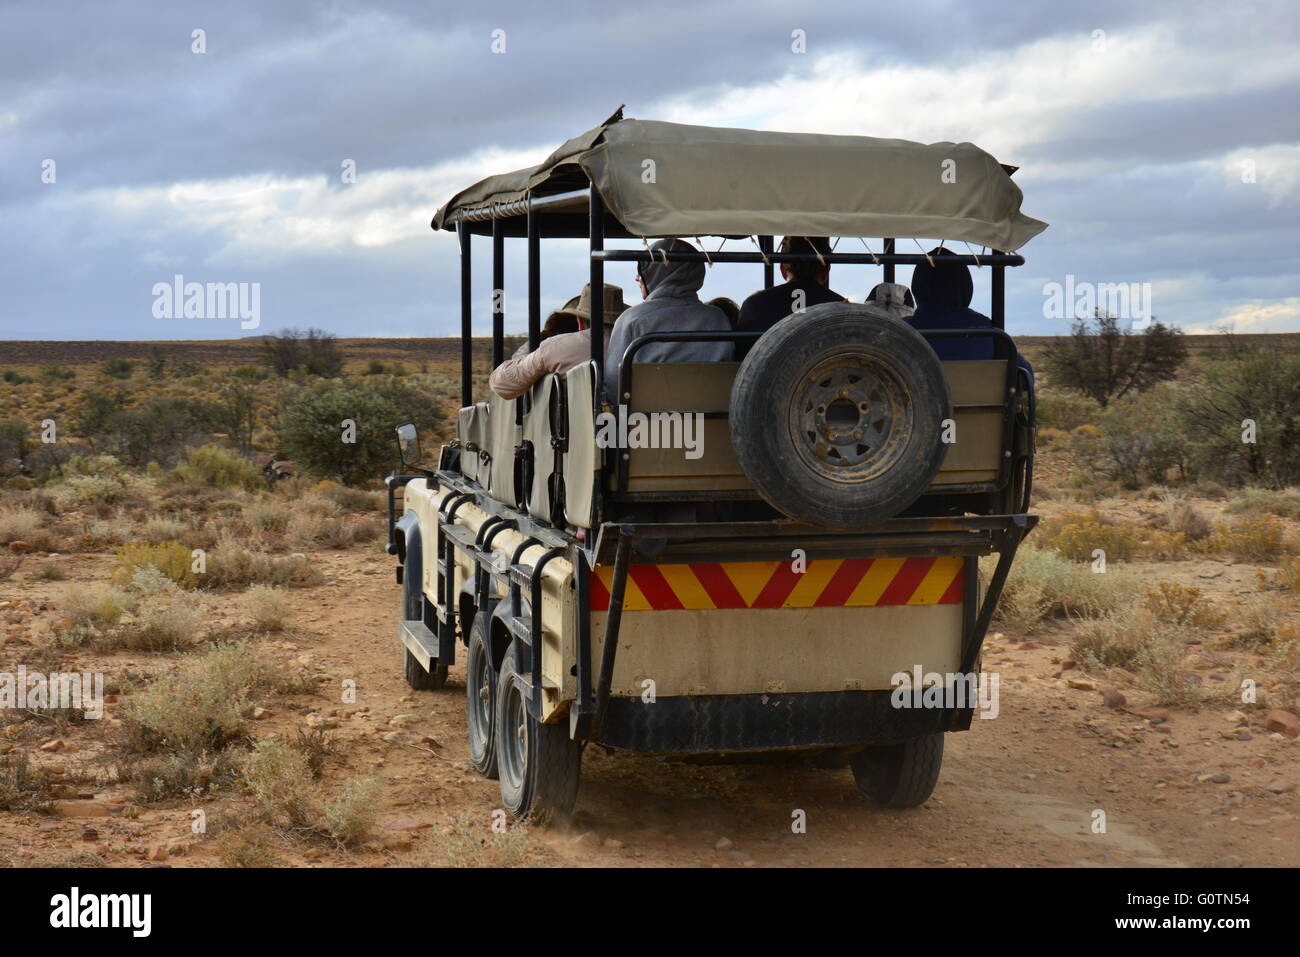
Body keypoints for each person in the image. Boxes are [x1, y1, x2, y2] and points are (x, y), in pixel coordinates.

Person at [602, 239, 732, 398]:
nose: (637, 278)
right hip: (714, 420)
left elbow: (614, 387)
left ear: (656, 273)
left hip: (647, 421)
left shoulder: (631, 320)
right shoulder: (718, 318)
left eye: (644, 268)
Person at [907, 246, 1034, 382]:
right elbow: (1025, 377)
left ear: (918, 286)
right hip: (983, 402)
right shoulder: (989, 331)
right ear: (965, 285)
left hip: (921, 403)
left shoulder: (903, 331)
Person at [488, 283, 628, 399]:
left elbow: (502, 383)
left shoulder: (557, 347)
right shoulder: (638, 345)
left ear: (579, 321)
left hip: (578, 431)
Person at [735, 236, 845, 357]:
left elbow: (741, 361)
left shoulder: (753, 305)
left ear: (783, 269)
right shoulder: (844, 310)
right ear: (826, 270)